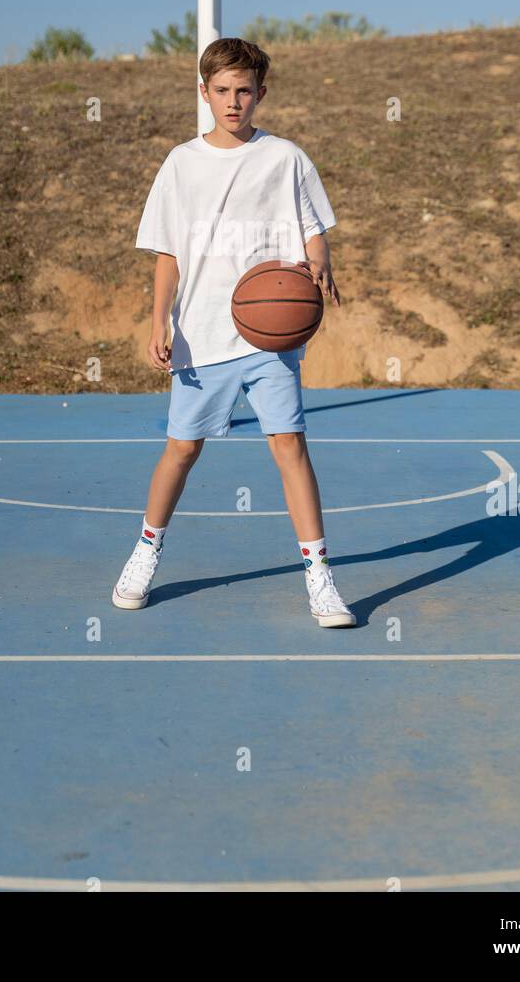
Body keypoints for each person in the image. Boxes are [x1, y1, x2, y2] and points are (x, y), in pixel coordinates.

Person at [111, 36, 355, 628]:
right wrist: (158, 319)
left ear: (261, 94)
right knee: (181, 450)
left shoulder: (285, 158)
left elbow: (312, 229)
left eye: (244, 91)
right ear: (204, 92)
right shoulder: (181, 163)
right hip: (202, 335)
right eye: (221, 90)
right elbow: (166, 253)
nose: (233, 101)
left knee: (290, 445)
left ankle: (320, 576)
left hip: (269, 337)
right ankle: (146, 550)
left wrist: (320, 262)